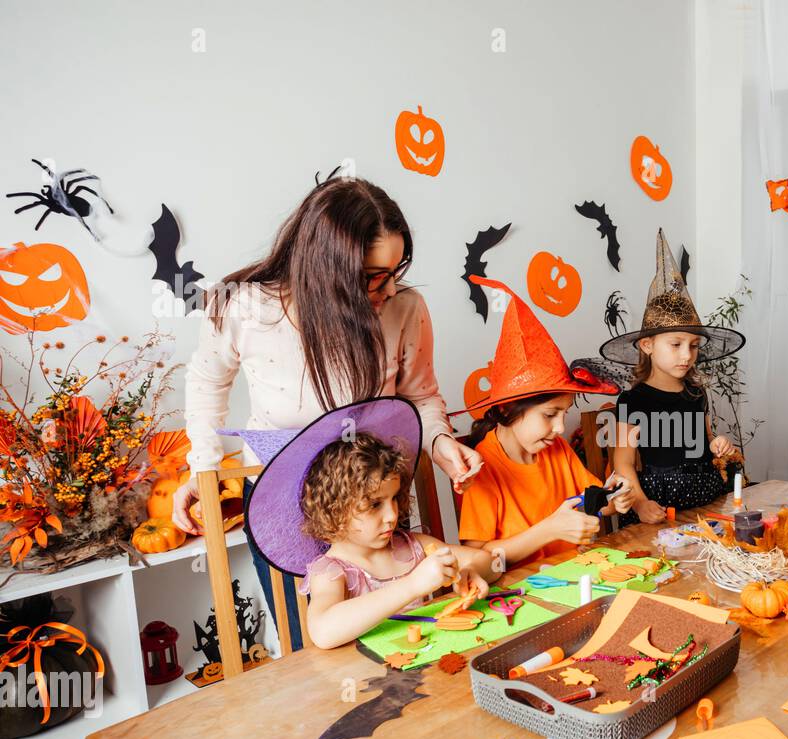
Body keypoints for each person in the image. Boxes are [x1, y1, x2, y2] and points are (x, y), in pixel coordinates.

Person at [176, 176, 481, 650]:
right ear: (326, 267)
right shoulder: (246, 308)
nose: (390, 286)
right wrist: (204, 464)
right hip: (285, 504)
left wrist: (440, 444)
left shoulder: (404, 308)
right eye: (372, 275)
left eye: (397, 268)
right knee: (314, 650)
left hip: (373, 496)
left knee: (402, 634)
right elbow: (206, 383)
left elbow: (422, 395)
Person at [239, 398, 497, 650]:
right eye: (375, 504)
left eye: (394, 498)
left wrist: (469, 572)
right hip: (371, 683)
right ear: (333, 510)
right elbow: (323, 632)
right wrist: (412, 585)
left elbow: (486, 560)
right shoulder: (332, 571)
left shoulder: (414, 547)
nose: (392, 515)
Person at [456, 275, 633, 567]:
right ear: (508, 409)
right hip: (519, 594)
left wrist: (614, 499)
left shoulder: (557, 449)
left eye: (564, 413)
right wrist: (548, 531)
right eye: (550, 415)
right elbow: (476, 558)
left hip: (574, 575)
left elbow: (592, 501)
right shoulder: (482, 467)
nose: (561, 427)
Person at [600, 230, 745, 523]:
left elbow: (705, 441)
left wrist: (718, 444)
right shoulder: (632, 400)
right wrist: (640, 504)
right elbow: (623, 463)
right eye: (675, 344)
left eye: (693, 346)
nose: (686, 355)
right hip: (660, 502)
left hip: (707, 496)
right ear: (648, 345)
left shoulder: (696, 392)